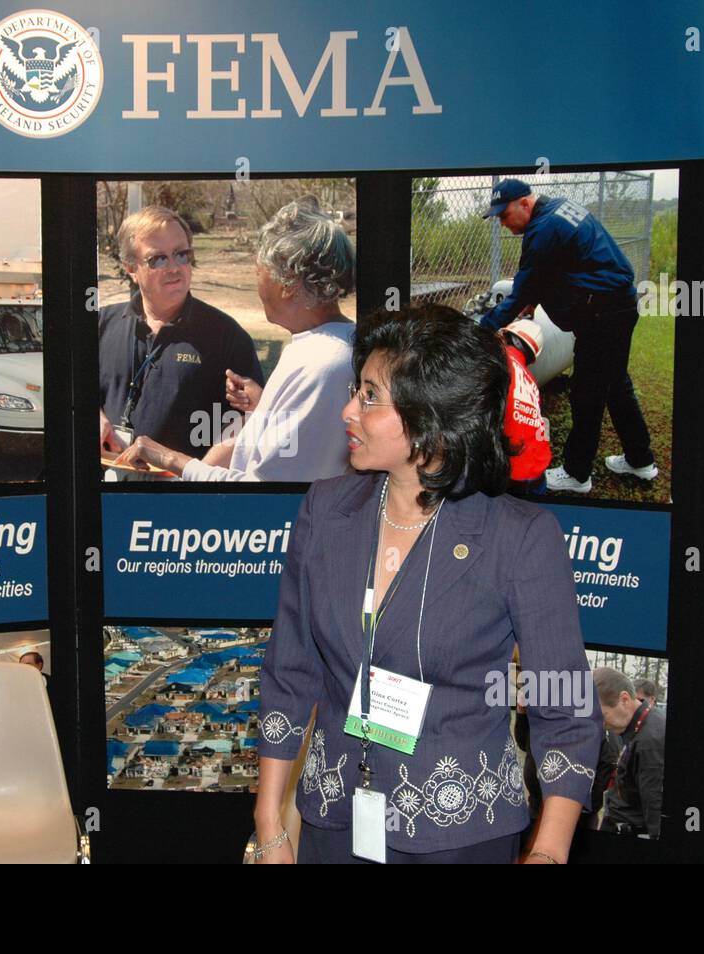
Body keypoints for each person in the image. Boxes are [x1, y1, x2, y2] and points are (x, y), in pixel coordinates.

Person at [253, 305, 602, 864]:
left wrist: (549, 852)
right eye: (355, 389)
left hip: (459, 832)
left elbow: (565, 709)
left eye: (370, 396)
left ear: (430, 419)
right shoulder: (325, 511)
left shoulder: (520, 537)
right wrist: (270, 824)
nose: (348, 410)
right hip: (331, 820)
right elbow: (290, 674)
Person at [112, 197, 355, 481]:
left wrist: (171, 460)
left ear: (287, 284)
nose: (257, 285)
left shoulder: (322, 366)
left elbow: (264, 493)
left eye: (259, 272)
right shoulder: (321, 349)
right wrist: (265, 407)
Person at [479, 178, 657, 494]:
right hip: (617, 305)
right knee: (615, 384)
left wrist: (477, 332)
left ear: (524, 203)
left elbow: (521, 292)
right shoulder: (559, 208)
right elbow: (558, 268)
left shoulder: (542, 231)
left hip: (603, 315)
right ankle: (640, 460)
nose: (504, 225)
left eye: (504, 216)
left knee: (587, 392)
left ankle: (577, 474)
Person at [97, 206, 263, 469]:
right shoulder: (101, 324)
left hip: (183, 497)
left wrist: (197, 478)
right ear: (130, 267)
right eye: (158, 259)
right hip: (106, 490)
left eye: (181, 255)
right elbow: (70, 389)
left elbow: (247, 420)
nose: (174, 268)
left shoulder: (227, 336)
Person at [594, 667, 666, 838]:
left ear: (624, 700)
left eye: (601, 715)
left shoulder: (650, 742)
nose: (598, 724)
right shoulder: (633, 726)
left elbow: (655, 807)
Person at [499, 318, 551, 492]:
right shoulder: (531, 382)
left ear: (508, 337)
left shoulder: (499, 358)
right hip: (539, 471)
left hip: (511, 476)